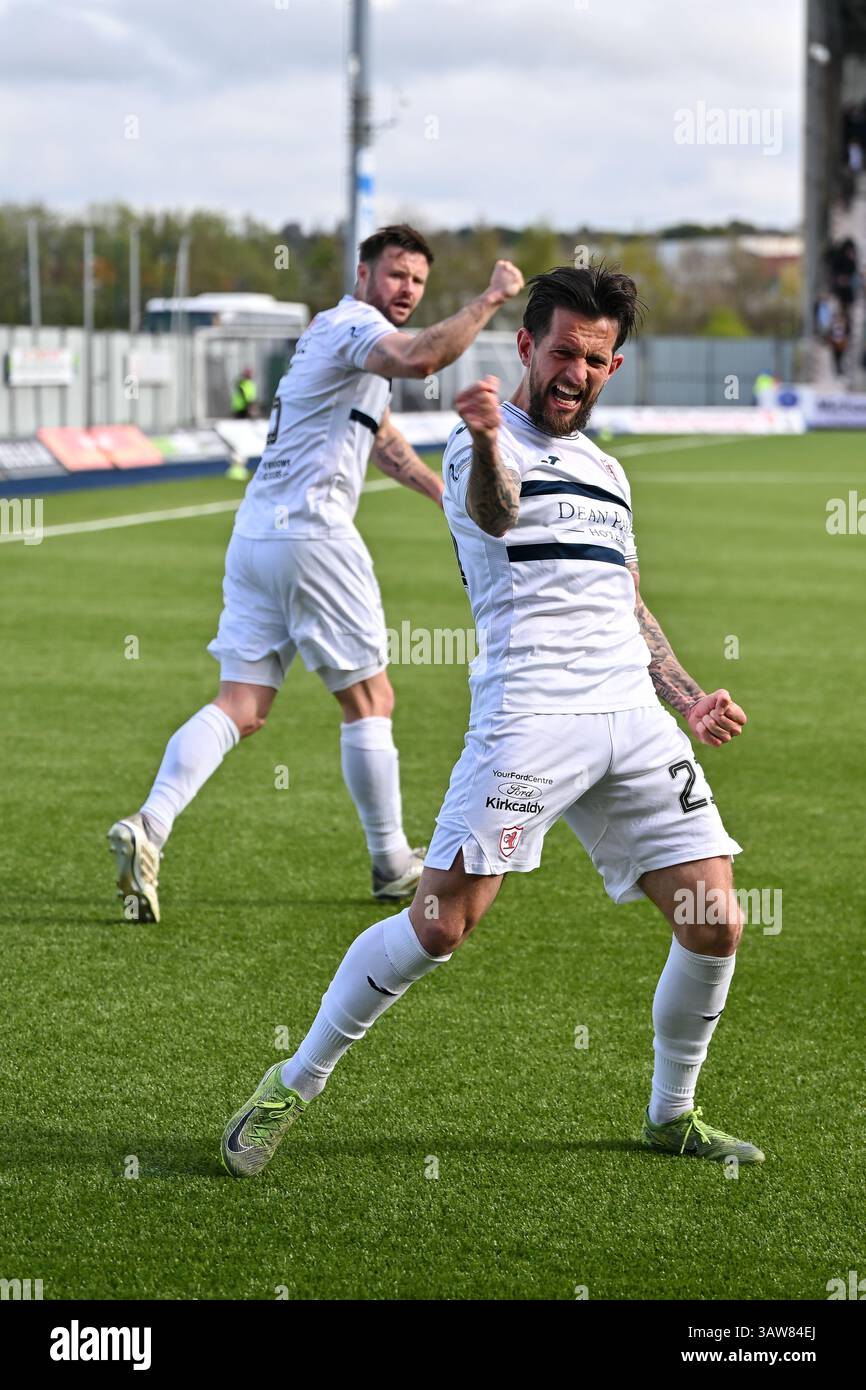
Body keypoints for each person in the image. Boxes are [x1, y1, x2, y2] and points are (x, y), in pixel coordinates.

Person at [221, 264, 763, 1178]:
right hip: (531, 716)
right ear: (525, 347)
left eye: (594, 360)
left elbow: (626, 599)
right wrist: (479, 428)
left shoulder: (607, 469)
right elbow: (497, 513)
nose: (574, 373)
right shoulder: (482, 444)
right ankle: (294, 1078)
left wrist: (685, 693)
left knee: (716, 922)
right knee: (439, 926)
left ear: (613, 366)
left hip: (632, 717)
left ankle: (671, 1114)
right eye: (561, 353)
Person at [108, 225, 524, 921]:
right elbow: (423, 359)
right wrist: (492, 297)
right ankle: (393, 862)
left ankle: (149, 824)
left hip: (257, 537)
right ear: (363, 275)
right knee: (371, 701)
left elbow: (380, 438)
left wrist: (438, 492)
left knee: (242, 706)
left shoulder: (338, 341)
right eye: (396, 274)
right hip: (314, 537)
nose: (407, 291)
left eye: (418, 281)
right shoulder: (356, 326)